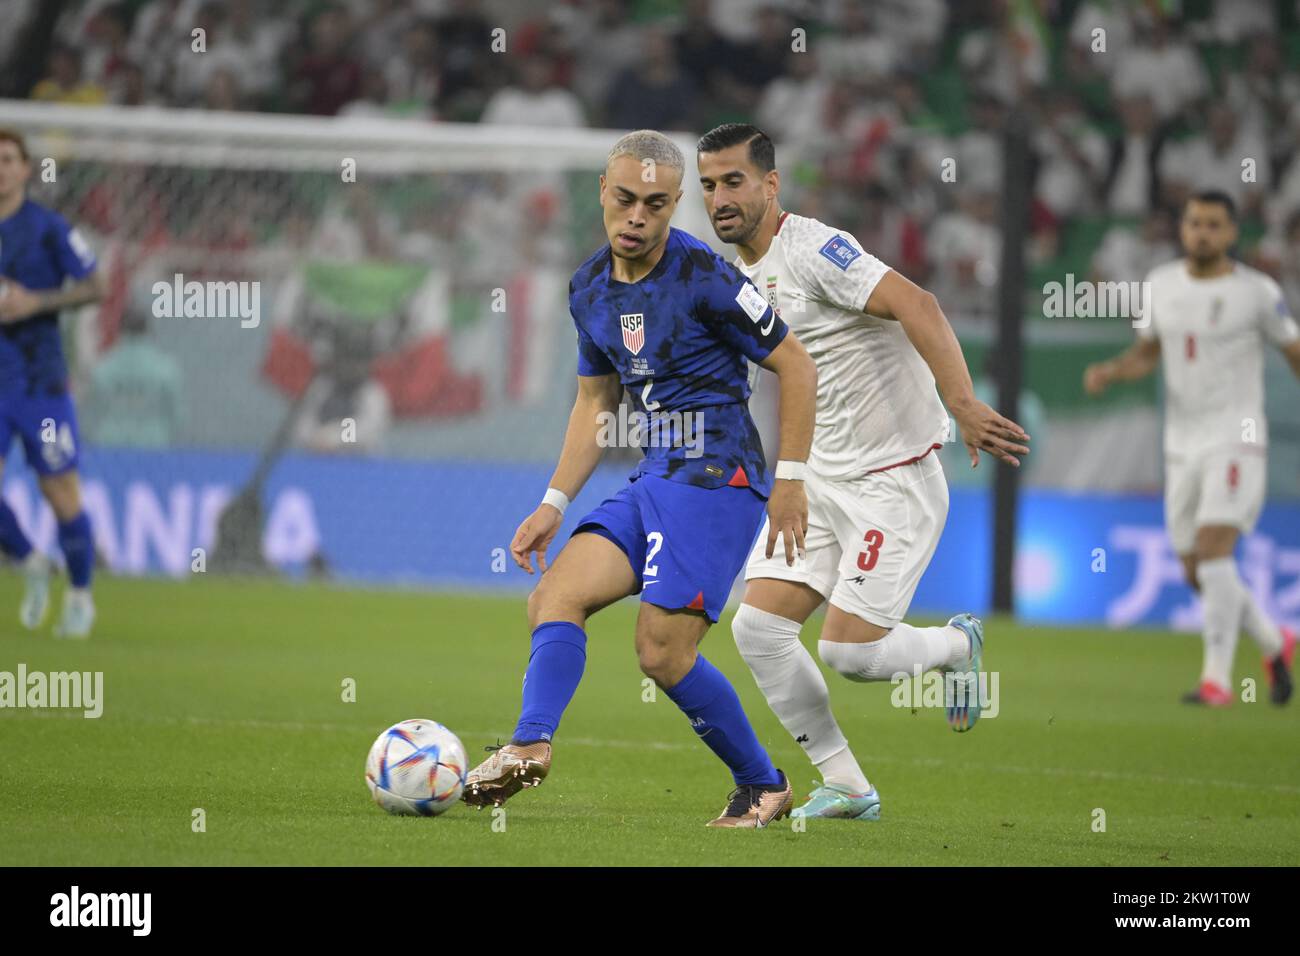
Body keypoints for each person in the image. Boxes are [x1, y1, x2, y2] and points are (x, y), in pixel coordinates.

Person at [463, 130, 819, 828]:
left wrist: (792, 481)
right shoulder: (588, 288)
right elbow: (596, 403)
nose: (637, 217)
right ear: (602, 190)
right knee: (555, 595)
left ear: (674, 204)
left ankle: (764, 785)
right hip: (656, 475)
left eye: (656, 205)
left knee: (661, 652)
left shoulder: (708, 278)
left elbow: (796, 366)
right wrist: (553, 501)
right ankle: (531, 745)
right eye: (625, 199)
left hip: (718, 478)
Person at [697, 123, 1029, 820]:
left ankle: (952, 646)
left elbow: (920, 304)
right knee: (757, 631)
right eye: (707, 185)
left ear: (770, 184)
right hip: (817, 479)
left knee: (848, 653)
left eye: (733, 181)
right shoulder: (734, 276)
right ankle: (847, 783)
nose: (719, 197)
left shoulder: (814, 249)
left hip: (891, 479)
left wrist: (962, 403)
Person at [1085, 190, 1300, 706]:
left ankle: (1216, 682)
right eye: (1195, 223)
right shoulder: (1160, 286)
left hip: (1237, 437)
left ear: (1232, 234)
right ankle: (1275, 641)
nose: (1203, 232)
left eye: (1214, 224)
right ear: (1183, 229)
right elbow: (1148, 352)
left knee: (1212, 551)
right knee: (1194, 567)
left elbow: (1293, 349)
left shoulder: (1257, 292)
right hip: (1181, 443)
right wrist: (1113, 371)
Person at [0, 128, 105, 638]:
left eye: (8, 160)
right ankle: (31, 561)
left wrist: (36, 303)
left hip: (41, 382)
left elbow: (96, 285)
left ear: (25, 169)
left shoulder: (49, 228)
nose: (1, 169)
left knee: (60, 490)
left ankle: (81, 597)